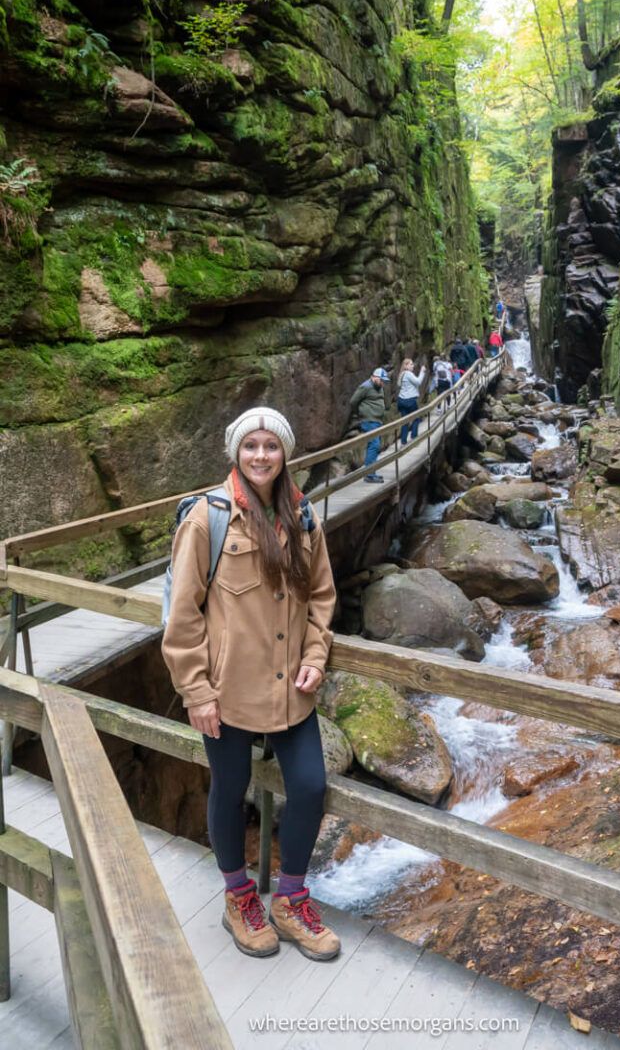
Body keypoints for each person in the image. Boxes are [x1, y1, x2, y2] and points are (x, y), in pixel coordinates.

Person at [162, 407, 340, 962]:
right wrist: (196, 691)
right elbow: (183, 614)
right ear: (235, 452)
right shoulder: (207, 518)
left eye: (271, 446)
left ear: (285, 453)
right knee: (229, 786)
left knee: (310, 786)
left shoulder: (304, 516)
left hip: (293, 687)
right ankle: (239, 896)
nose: (261, 455)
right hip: (228, 690)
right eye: (250, 446)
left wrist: (317, 653)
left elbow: (322, 597)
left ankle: (290, 898)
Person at [349, 366, 390, 483]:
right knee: (375, 445)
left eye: (384, 381)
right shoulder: (365, 387)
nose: (383, 383)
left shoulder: (379, 387)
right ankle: (369, 475)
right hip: (369, 421)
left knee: (373, 446)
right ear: (374, 377)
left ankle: (371, 472)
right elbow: (353, 402)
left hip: (377, 421)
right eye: (381, 380)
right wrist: (361, 414)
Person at [396, 358, 426, 445]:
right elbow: (418, 382)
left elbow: (399, 385)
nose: (413, 365)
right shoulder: (408, 374)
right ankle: (414, 438)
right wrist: (422, 371)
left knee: (405, 421)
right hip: (410, 401)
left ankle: (403, 441)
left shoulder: (401, 374)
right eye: (411, 364)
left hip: (401, 400)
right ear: (406, 366)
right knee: (416, 419)